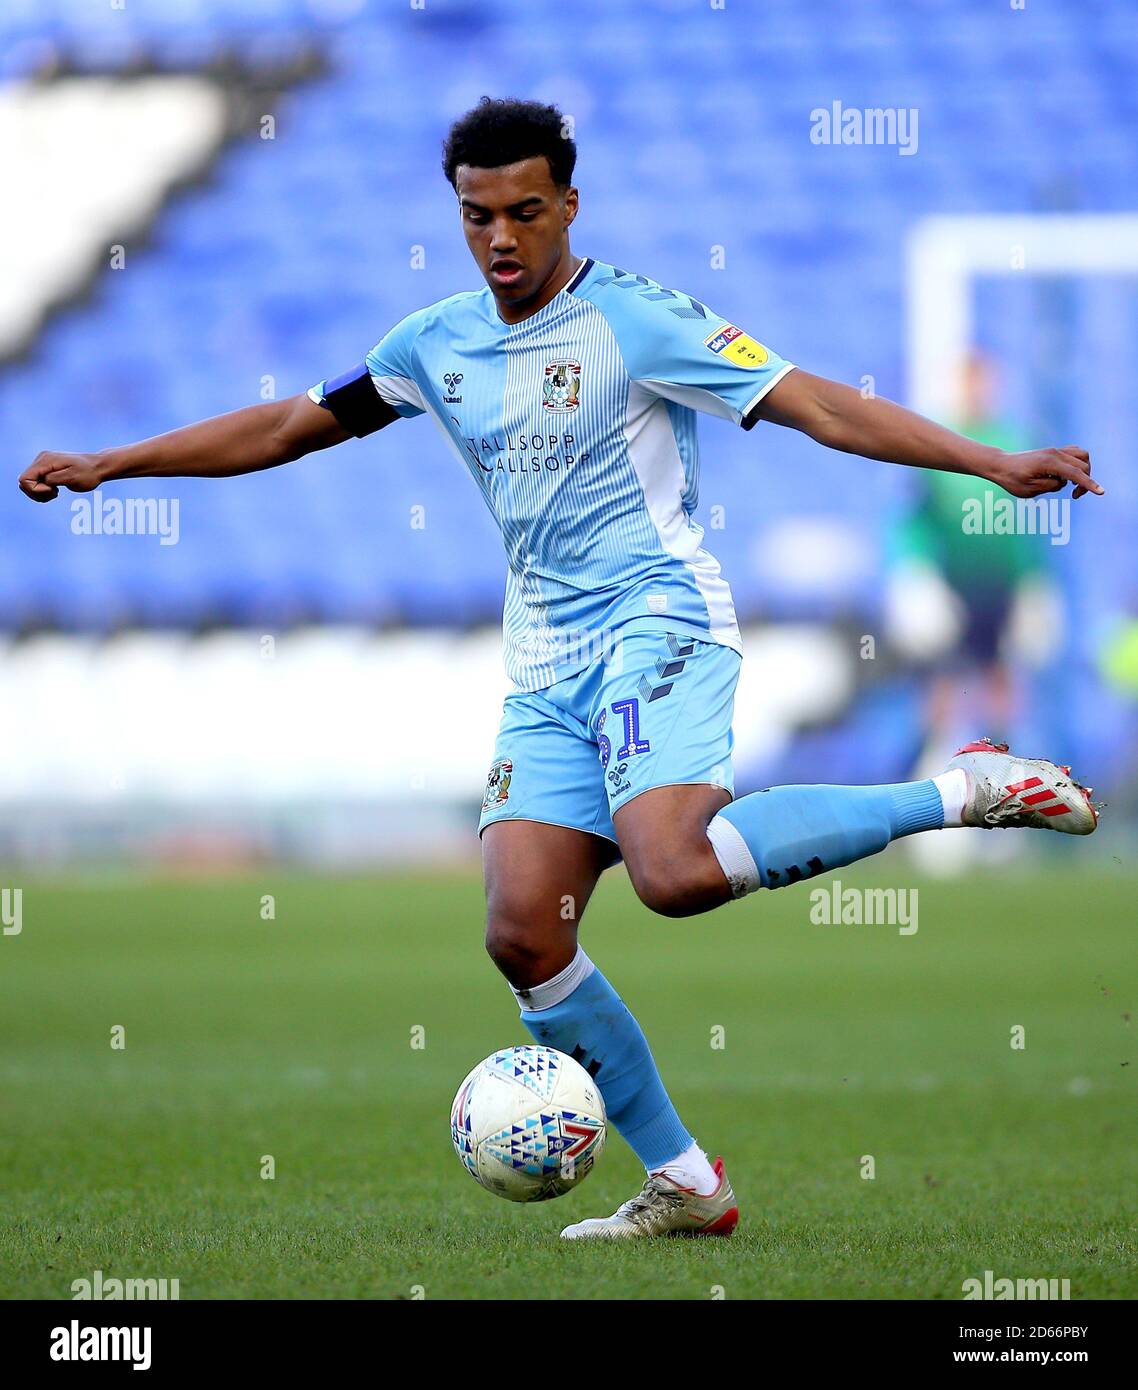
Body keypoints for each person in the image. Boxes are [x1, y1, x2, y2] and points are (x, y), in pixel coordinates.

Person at [18, 97, 1102, 1239]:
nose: (500, 237)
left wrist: (988, 463)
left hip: (659, 619)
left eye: (525, 211)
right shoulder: (431, 343)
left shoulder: (637, 319)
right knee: (525, 933)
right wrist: (113, 462)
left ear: (568, 205)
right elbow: (289, 426)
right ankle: (686, 1180)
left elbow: (817, 404)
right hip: (543, 662)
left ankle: (966, 786)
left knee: (673, 872)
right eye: (478, 214)